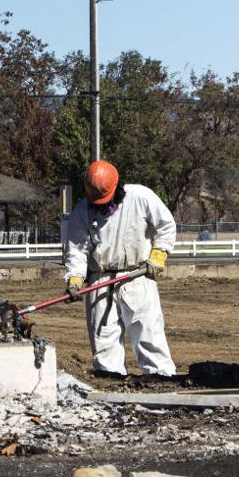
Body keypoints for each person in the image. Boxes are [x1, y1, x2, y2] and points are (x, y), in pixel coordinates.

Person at [63, 160, 178, 378]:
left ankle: (160, 377)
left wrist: (159, 254)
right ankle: (111, 379)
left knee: (148, 331)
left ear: (118, 188)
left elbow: (166, 225)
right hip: (100, 279)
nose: (102, 206)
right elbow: (76, 250)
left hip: (137, 276)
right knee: (103, 336)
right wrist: (75, 279)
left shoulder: (141, 197)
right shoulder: (82, 211)